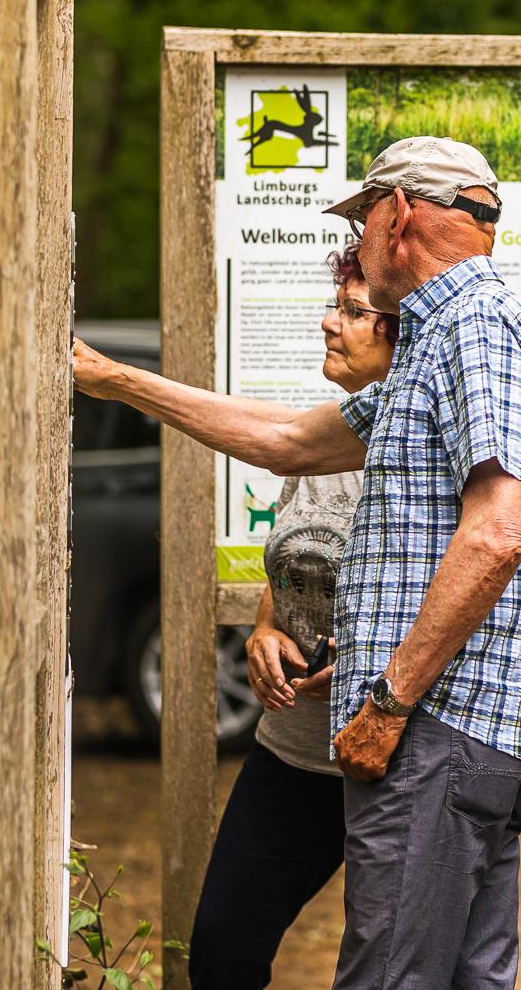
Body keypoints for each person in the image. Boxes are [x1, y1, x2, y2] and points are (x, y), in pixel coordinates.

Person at [74, 136, 521, 990]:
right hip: (458, 734)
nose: (359, 242)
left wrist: (390, 699)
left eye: (361, 219)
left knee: (389, 977)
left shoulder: (475, 328)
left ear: (397, 214)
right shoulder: (443, 338)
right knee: (463, 977)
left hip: (436, 727)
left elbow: (497, 533)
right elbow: (290, 440)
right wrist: (117, 380)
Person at [76, 241, 394, 989]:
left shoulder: (415, 450)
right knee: (221, 949)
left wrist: (378, 662)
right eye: (335, 306)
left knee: (388, 962)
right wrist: (265, 628)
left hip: (392, 752)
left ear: (401, 340)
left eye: (353, 313)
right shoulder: (326, 439)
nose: (329, 322)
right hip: (294, 750)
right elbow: (295, 555)